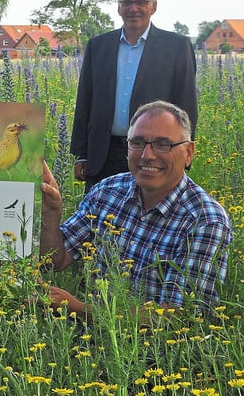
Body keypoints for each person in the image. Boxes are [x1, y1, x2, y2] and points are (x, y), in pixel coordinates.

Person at [40, 101, 231, 318]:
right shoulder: (107, 192)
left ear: (188, 152)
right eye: (137, 143)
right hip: (91, 343)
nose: (147, 155)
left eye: (162, 144)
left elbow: (183, 315)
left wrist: (81, 310)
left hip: (156, 350)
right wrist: (50, 214)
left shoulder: (205, 221)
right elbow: (55, 261)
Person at [71, 0, 197, 191]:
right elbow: (85, 100)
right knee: (98, 218)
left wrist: (182, 154)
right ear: (119, 8)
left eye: (141, 2)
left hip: (153, 154)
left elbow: (186, 106)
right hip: (103, 153)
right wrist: (81, 153)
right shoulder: (98, 46)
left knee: (150, 219)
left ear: (153, 7)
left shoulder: (176, 46)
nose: (134, 9)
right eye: (127, 3)